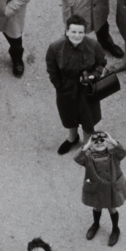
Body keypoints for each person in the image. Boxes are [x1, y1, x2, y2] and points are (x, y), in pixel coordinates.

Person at [46, 15, 108, 154]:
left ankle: (87, 144)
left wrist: (93, 76)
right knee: (69, 116)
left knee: (88, 118)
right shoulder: (55, 48)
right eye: (73, 32)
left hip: (87, 89)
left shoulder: (93, 45)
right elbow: (52, 69)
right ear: (67, 31)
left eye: (80, 32)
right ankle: (72, 137)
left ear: (85, 33)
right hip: (66, 88)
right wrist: (59, 86)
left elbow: (101, 63)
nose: (77, 35)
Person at [75, 132, 126, 246]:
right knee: (97, 207)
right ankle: (95, 224)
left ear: (107, 143)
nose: (99, 143)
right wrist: (86, 145)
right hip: (97, 187)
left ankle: (115, 229)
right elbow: (77, 158)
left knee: (112, 209)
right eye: (95, 142)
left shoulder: (113, 154)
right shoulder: (88, 157)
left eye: (102, 141)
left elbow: (124, 151)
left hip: (111, 188)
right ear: (91, 145)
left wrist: (113, 141)